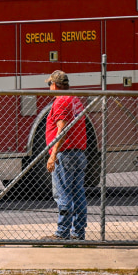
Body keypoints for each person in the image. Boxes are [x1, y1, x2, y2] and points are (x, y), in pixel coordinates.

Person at [45, 70, 87, 240]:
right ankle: (78, 232)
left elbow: (62, 129)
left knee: (62, 194)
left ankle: (62, 233)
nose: (49, 87)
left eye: (49, 84)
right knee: (78, 194)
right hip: (79, 153)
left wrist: (53, 155)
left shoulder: (61, 101)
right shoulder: (75, 99)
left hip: (65, 153)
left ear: (54, 85)